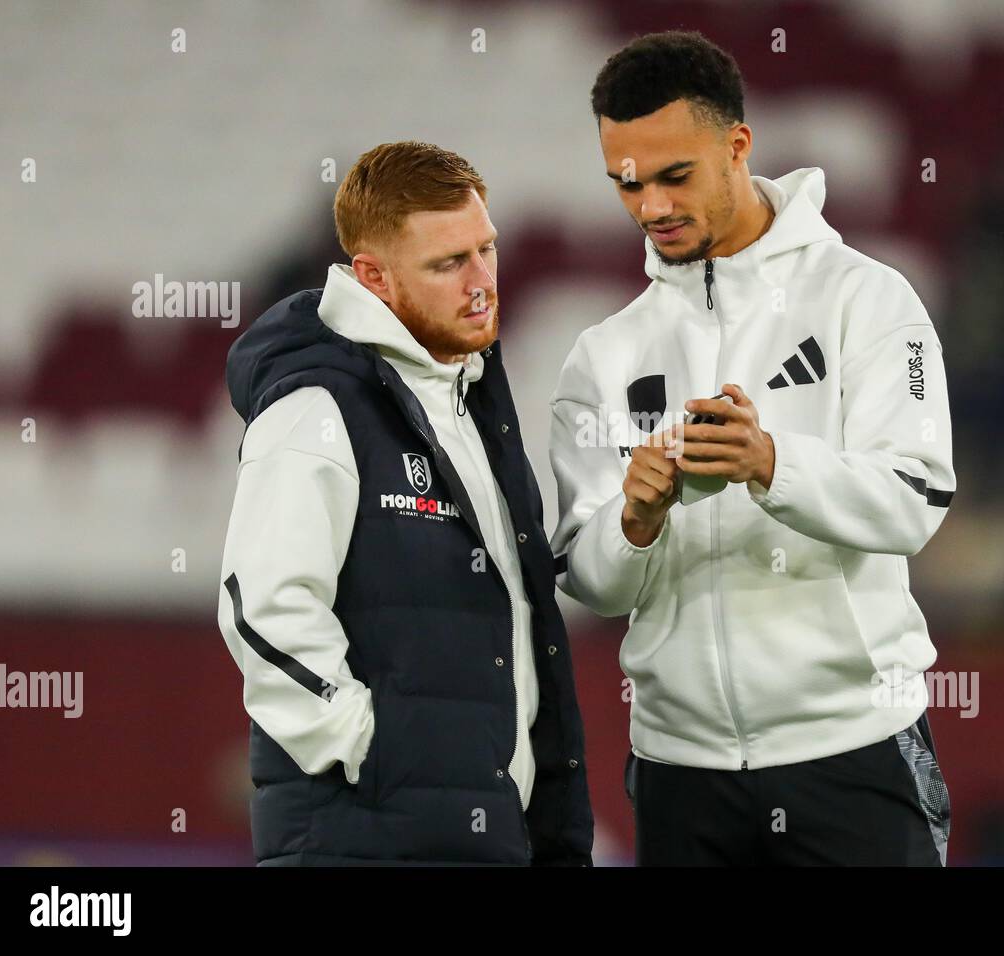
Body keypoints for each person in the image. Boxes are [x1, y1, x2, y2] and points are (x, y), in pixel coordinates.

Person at [550, 31, 955, 865]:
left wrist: (773, 465)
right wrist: (635, 520)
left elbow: (916, 498)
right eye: (626, 182)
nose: (650, 206)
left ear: (737, 145)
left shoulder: (870, 301)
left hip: (854, 751)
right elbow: (586, 580)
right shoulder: (604, 353)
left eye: (674, 176)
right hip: (679, 770)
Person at [216, 141, 593, 865]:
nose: (482, 281)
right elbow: (259, 608)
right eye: (449, 264)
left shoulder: (469, 400)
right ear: (374, 277)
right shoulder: (315, 405)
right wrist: (373, 747)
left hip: (475, 833)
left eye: (487, 249)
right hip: (365, 838)